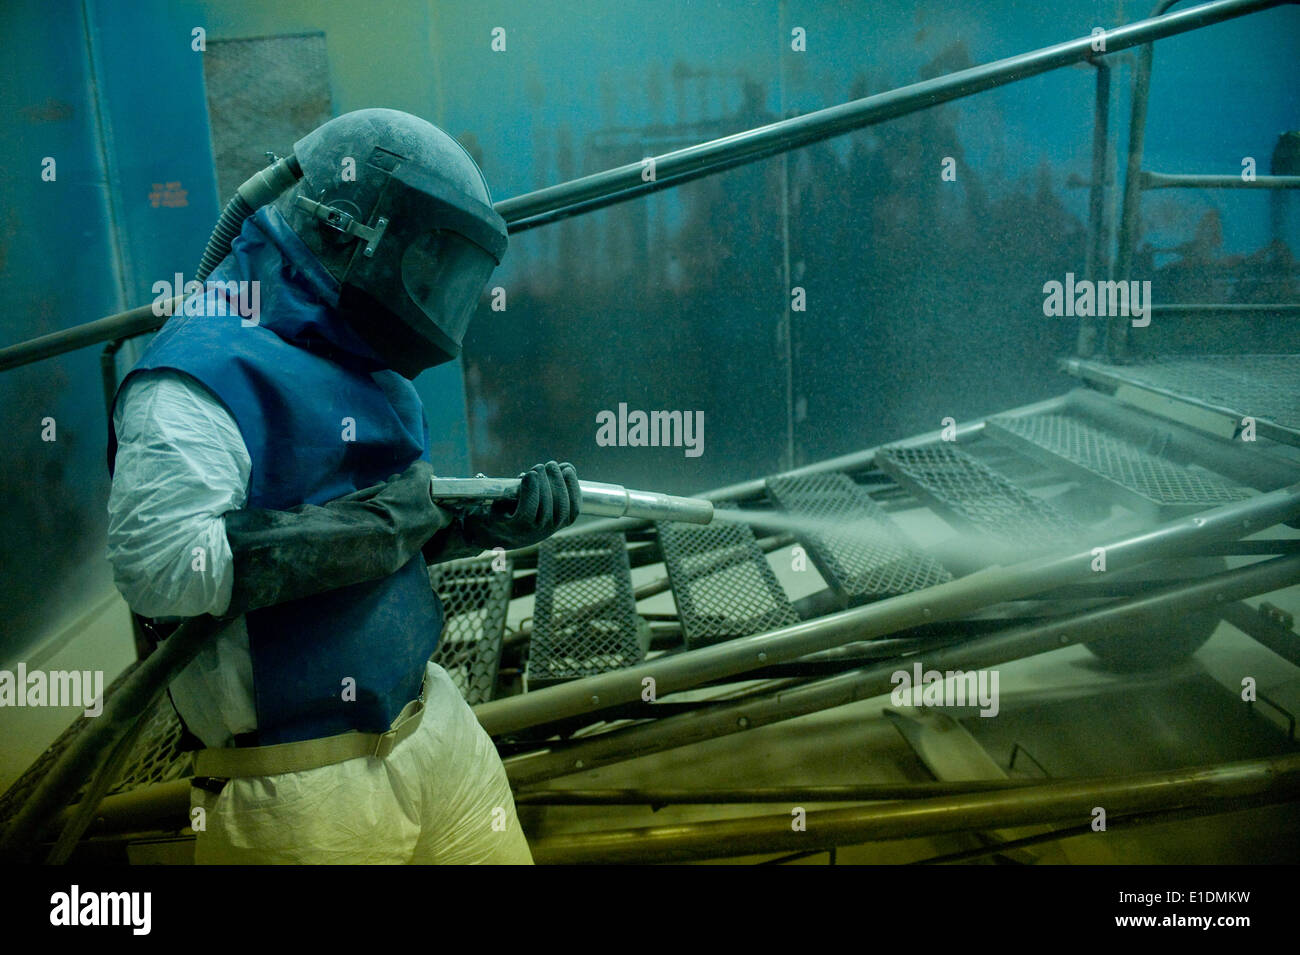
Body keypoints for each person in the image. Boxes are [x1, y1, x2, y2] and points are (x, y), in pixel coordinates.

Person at [106, 108, 579, 863]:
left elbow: (367, 532)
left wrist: (471, 526)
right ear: (343, 229)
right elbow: (160, 566)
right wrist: (380, 527)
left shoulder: (353, 356)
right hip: (301, 788)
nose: (430, 293)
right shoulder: (196, 376)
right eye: (424, 261)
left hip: (431, 720)